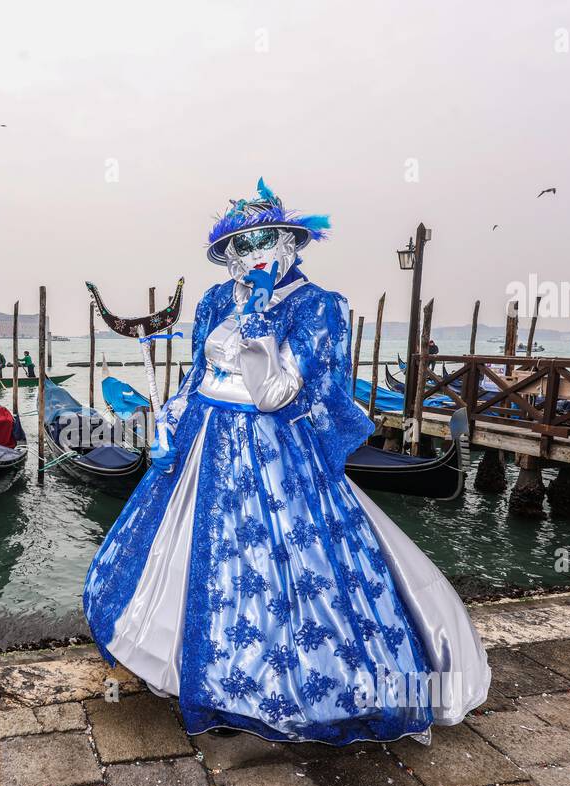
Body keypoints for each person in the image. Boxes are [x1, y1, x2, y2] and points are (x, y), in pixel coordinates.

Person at [83, 179, 489, 745]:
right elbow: (197, 377)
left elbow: (277, 393)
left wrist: (257, 324)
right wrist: (169, 422)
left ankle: (260, 692)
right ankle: (185, 670)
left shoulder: (318, 308)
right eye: (241, 246)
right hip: (203, 438)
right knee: (189, 559)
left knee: (267, 566)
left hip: (270, 450)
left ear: (291, 244)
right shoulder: (214, 301)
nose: (251, 256)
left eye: (264, 240)